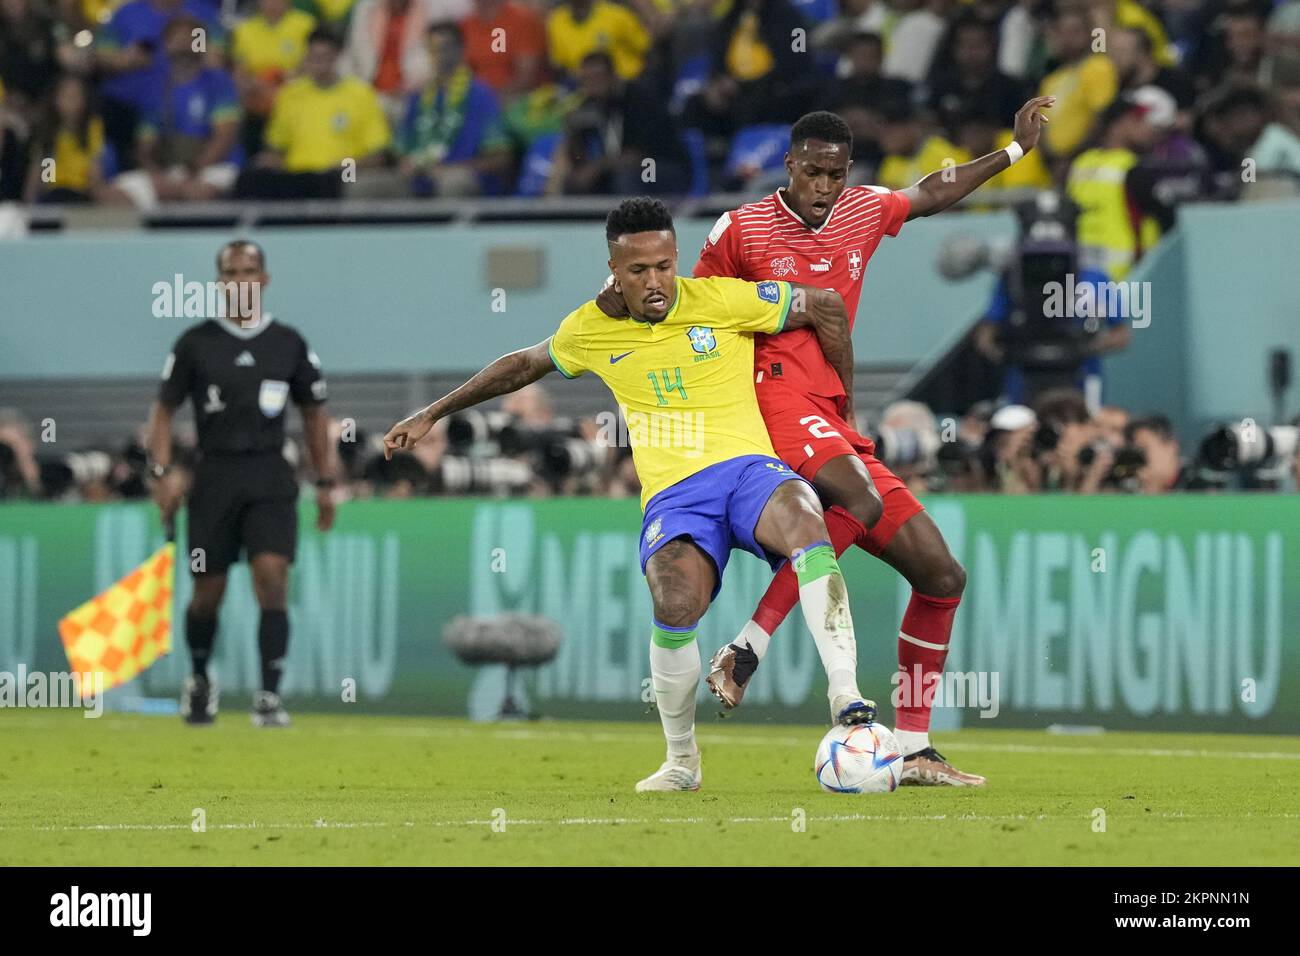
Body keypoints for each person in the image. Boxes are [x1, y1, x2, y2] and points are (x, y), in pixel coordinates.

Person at [599, 100, 1053, 786]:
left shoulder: (865, 209)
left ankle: (914, 744)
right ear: (789, 164)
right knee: (858, 498)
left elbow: (932, 190)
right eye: (812, 171)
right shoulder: (741, 229)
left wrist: (1014, 152)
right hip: (773, 396)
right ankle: (748, 646)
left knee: (941, 575)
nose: (823, 185)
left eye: (835, 174)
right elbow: (687, 308)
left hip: (832, 411)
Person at [382, 197, 876, 792]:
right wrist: (434, 413)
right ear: (613, 269)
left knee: (805, 516)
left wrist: (839, 408)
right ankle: (681, 762)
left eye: (664, 265)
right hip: (675, 495)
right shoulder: (591, 326)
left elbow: (821, 305)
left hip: (749, 470)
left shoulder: (722, 299)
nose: (655, 281)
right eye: (638, 271)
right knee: (673, 604)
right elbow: (522, 365)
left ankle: (845, 692)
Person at [146, 240, 339, 727]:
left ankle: (270, 694)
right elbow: (164, 411)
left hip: (271, 472)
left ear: (265, 280)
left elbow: (315, 415)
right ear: (219, 283)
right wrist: (162, 473)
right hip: (213, 475)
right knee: (207, 590)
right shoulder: (195, 343)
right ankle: (199, 678)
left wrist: (326, 481)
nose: (240, 282)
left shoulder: (289, 343)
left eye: (249, 272)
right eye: (230, 273)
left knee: (271, 576)